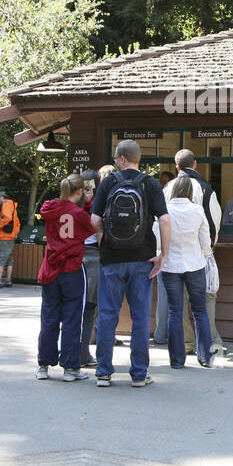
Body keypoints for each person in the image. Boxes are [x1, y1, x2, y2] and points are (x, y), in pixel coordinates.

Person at [91, 140, 170, 388]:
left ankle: (103, 372)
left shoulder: (108, 182)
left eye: (116, 158)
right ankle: (138, 374)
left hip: (111, 260)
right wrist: (163, 255)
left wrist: (106, 239)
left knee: (107, 316)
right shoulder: (150, 184)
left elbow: (94, 220)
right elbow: (165, 221)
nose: (115, 161)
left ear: (123, 159)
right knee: (140, 317)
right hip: (142, 259)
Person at [36, 173, 99, 381]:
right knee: (73, 318)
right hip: (71, 268)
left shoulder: (50, 209)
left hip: (50, 267)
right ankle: (70, 368)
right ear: (80, 191)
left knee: (49, 317)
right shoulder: (79, 214)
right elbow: (94, 226)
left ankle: (43, 365)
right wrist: (89, 204)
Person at [166, 149, 226, 359]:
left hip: (171, 256)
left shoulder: (168, 188)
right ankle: (207, 347)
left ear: (177, 167)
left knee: (177, 306)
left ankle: (185, 344)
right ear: (196, 164)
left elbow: (160, 221)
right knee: (203, 302)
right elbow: (214, 221)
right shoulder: (206, 189)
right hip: (199, 255)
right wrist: (208, 248)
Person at [159, 176, 214, 368]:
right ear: (190, 192)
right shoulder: (197, 210)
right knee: (199, 311)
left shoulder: (165, 210)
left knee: (175, 311)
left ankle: (176, 359)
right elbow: (206, 242)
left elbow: (157, 237)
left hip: (170, 265)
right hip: (195, 264)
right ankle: (205, 356)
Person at [77, 171, 101, 367]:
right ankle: (83, 354)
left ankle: (69, 352)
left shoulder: (65, 208)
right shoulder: (97, 209)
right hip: (92, 258)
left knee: (71, 309)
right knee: (89, 309)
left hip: (70, 258)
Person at [0, 189, 20, 288]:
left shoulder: (6, 205)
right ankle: (8, 280)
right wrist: (15, 233)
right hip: (11, 237)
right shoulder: (12, 206)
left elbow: (7, 218)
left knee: (0, 259)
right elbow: (17, 222)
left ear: (1, 198)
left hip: (5, 236)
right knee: (9, 260)